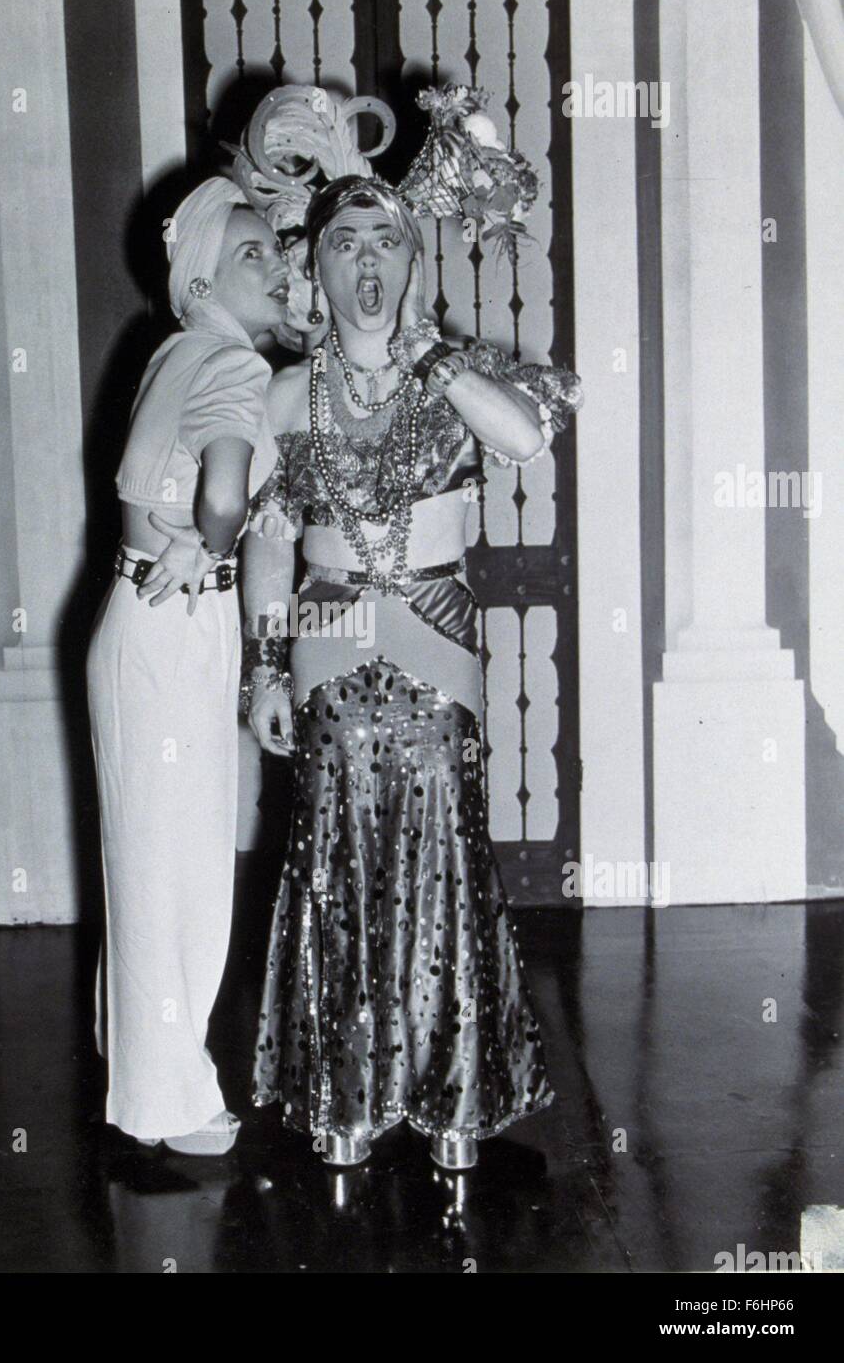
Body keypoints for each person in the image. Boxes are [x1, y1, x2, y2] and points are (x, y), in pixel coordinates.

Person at [242, 174, 581, 1170]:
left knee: (441, 858)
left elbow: (522, 439)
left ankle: (453, 1096)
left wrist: (434, 358)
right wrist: (263, 669)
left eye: (385, 242)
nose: (366, 261)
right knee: (336, 861)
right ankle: (344, 1097)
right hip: (327, 620)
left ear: (411, 261)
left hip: (435, 621)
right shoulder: (283, 391)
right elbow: (268, 540)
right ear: (317, 262)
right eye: (345, 242)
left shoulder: (453, 372)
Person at [87, 177, 290, 1155]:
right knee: (180, 872)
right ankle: (169, 1100)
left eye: (275, 250)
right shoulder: (235, 364)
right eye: (253, 253)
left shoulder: (176, 349)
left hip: (142, 619)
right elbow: (219, 494)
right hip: (174, 621)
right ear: (203, 274)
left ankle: (137, 1065)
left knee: (148, 859)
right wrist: (209, 547)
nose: (277, 267)